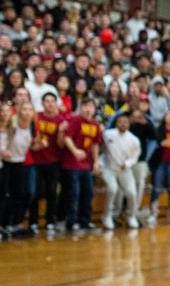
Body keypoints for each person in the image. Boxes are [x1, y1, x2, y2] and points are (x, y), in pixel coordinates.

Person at [59, 97, 102, 231]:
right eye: (86, 106)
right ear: (81, 108)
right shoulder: (75, 120)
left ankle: (85, 220)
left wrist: (95, 162)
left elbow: (95, 144)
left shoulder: (95, 124)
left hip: (86, 165)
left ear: (94, 110)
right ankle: (71, 221)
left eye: (91, 107)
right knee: (74, 193)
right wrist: (75, 151)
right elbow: (67, 138)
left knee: (88, 193)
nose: (88, 109)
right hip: (71, 164)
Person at [30, 93, 65, 233]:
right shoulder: (36, 116)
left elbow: (61, 145)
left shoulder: (60, 120)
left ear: (56, 104)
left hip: (53, 161)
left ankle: (50, 221)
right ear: (42, 103)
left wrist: (61, 132)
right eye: (47, 101)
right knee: (36, 192)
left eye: (52, 101)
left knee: (51, 192)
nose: (49, 104)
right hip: (35, 160)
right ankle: (33, 222)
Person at [100, 113, 141, 230]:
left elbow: (135, 156)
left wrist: (127, 163)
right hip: (108, 167)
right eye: (120, 122)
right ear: (116, 123)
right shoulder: (107, 134)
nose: (123, 124)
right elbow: (99, 145)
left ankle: (132, 217)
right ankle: (107, 216)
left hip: (124, 169)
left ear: (129, 124)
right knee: (112, 188)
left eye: (125, 122)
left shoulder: (134, 140)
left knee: (132, 193)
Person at [1, 102, 36, 237]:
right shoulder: (12, 126)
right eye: (24, 109)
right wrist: (4, 151)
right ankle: (3, 223)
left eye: (29, 110)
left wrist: (38, 144)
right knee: (4, 194)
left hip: (20, 163)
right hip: (7, 163)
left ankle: (14, 223)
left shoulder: (32, 127)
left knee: (20, 194)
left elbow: (28, 146)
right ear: (19, 112)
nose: (27, 112)